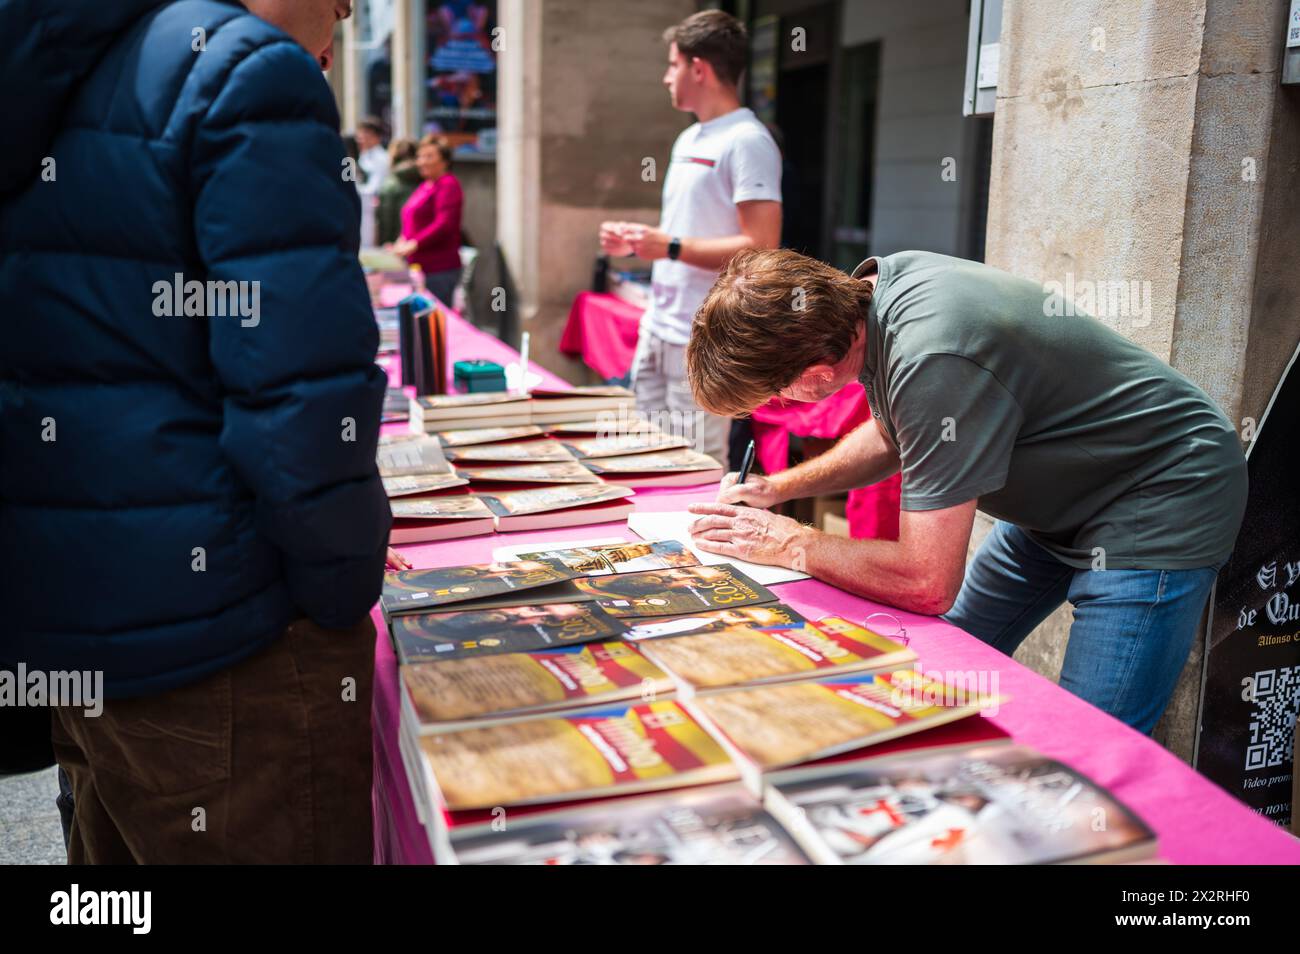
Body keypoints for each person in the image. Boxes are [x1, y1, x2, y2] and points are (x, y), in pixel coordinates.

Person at [0, 0, 391, 863]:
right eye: (343, 5)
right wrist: (339, 592)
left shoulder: (61, 62)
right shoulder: (243, 70)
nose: (340, 24)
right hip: (229, 643)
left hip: (79, 626)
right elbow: (303, 398)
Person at [683, 248, 1247, 735]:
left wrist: (791, 544)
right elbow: (895, 431)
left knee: (1092, 745)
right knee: (939, 672)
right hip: (1063, 502)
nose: (782, 404)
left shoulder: (932, 356)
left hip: (1160, 495)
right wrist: (776, 488)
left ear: (815, 374)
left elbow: (926, 582)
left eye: (777, 392)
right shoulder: (870, 298)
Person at [598, 9, 781, 469]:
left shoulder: (747, 139)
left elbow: (761, 247)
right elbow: (688, 228)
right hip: (658, 325)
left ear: (698, 68)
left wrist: (670, 246)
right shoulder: (689, 138)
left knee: (693, 470)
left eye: (672, 64)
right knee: (643, 459)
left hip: (705, 337)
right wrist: (640, 243)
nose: (666, 77)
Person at [389, 134, 463, 307]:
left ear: (445, 161)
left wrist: (414, 243)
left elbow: (445, 223)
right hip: (418, 269)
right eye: (420, 156)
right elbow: (410, 221)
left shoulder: (448, 184)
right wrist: (401, 241)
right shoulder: (425, 186)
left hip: (438, 268)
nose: (422, 161)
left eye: (429, 156)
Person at [376, 137, 420, 246]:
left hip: (399, 245)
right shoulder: (428, 180)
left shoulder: (391, 184)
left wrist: (385, 243)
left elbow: (386, 218)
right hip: (421, 244)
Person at [354, 116, 389, 248]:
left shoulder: (381, 158)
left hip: (372, 212)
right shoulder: (362, 156)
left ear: (375, 136)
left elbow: (375, 187)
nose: (360, 138)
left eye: (364, 134)